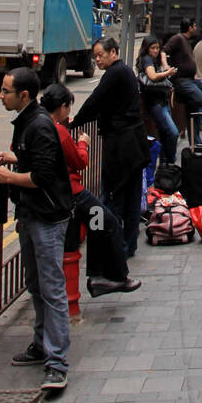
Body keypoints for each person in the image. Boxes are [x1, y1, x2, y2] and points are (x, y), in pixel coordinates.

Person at [0, 68, 72, 391]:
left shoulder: (39, 126)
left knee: (51, 288)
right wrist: (11, 157)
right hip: (32, 214)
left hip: (48, 217)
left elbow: (43, 177)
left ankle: (57, 362)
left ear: (23, 95)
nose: (0, 95)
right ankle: (41, 344)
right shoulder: (27, 121)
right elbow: (31, 161)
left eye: (6, 91)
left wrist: (7, 178)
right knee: (35, 284)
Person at [41, 83, 141, 298]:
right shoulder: (58, 130)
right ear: (62, 106)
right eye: (68, 108)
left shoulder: (38, 125)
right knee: (108, 222)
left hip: (58, 197)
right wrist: (83, 143)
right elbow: (79, 162)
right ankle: (117, 276)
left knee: (97, 224)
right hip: (73, 195)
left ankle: (97, 275)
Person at [71, 38, 151, 261]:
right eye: (95, 56)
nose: (97, 59)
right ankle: (127, 244)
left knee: (112, 198)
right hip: (133, 145)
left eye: (100, 55)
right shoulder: (123, 72)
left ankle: (115, 246)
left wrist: (74, 123)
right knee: (131, 198)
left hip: (122, 148)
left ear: (113, 52)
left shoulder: (116, 73)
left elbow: (95, 102)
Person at [163, 19, 202, 140]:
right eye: (194, 26)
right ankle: (197, 128)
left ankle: (195, 143)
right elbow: (164, 50)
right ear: (189, 28)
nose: (196, 28)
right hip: (183, 81)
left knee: (192, 111)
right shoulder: (178, 38)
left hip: (190, 79)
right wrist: (166, 66)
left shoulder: (186, 41)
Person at [136, 36, 179, 163]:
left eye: (157, 48)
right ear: (146, 48)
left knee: (165, 133)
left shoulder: (155, 59)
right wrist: (167, 73)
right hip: (155, 103)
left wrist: (164, 61)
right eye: (152, 48)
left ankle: (165, 163)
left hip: (161, 101)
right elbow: (153, 76)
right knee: (172, 132)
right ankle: (170, 160)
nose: (155, 51)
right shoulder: (147, 59)